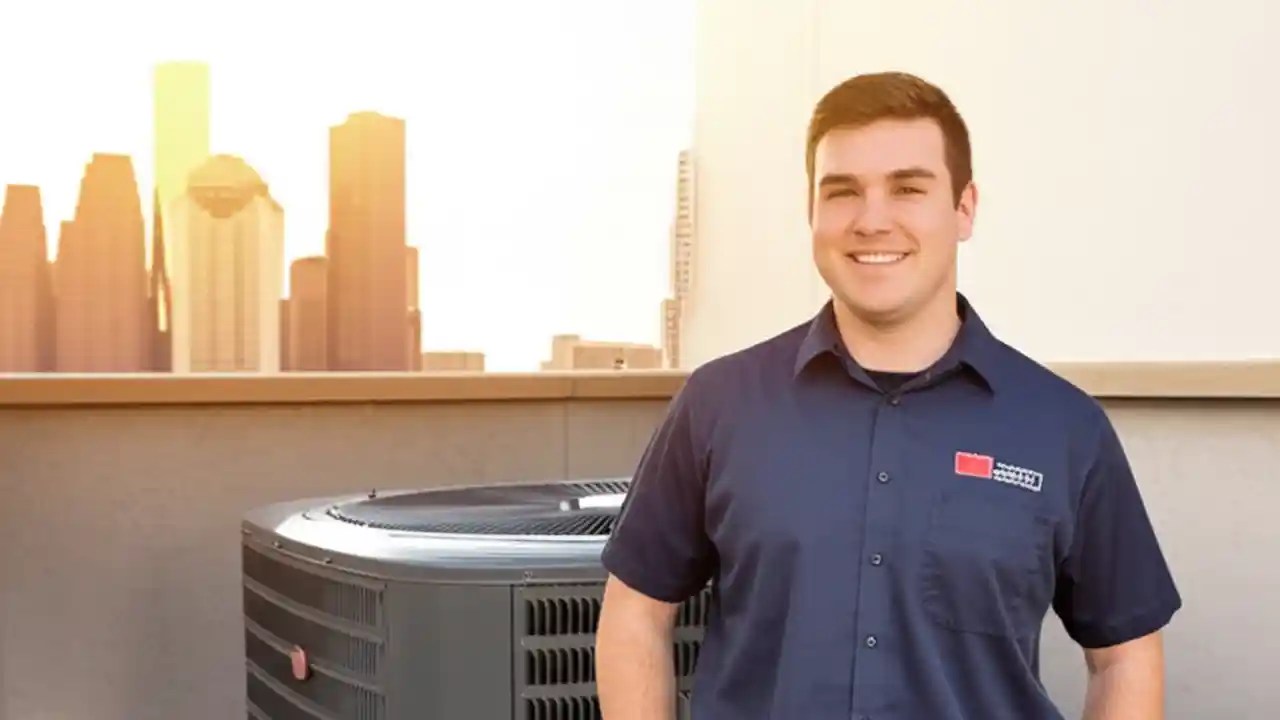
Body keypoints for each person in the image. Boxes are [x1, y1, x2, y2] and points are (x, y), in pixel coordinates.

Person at [595, 71, 1181, 719]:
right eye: (843, 192)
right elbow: (635, 615)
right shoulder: (719, 406)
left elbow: (1124, 652)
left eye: (907, 188)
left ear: (964, 209)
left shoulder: (1064, 429)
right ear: (811, 212)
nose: (873, 220)